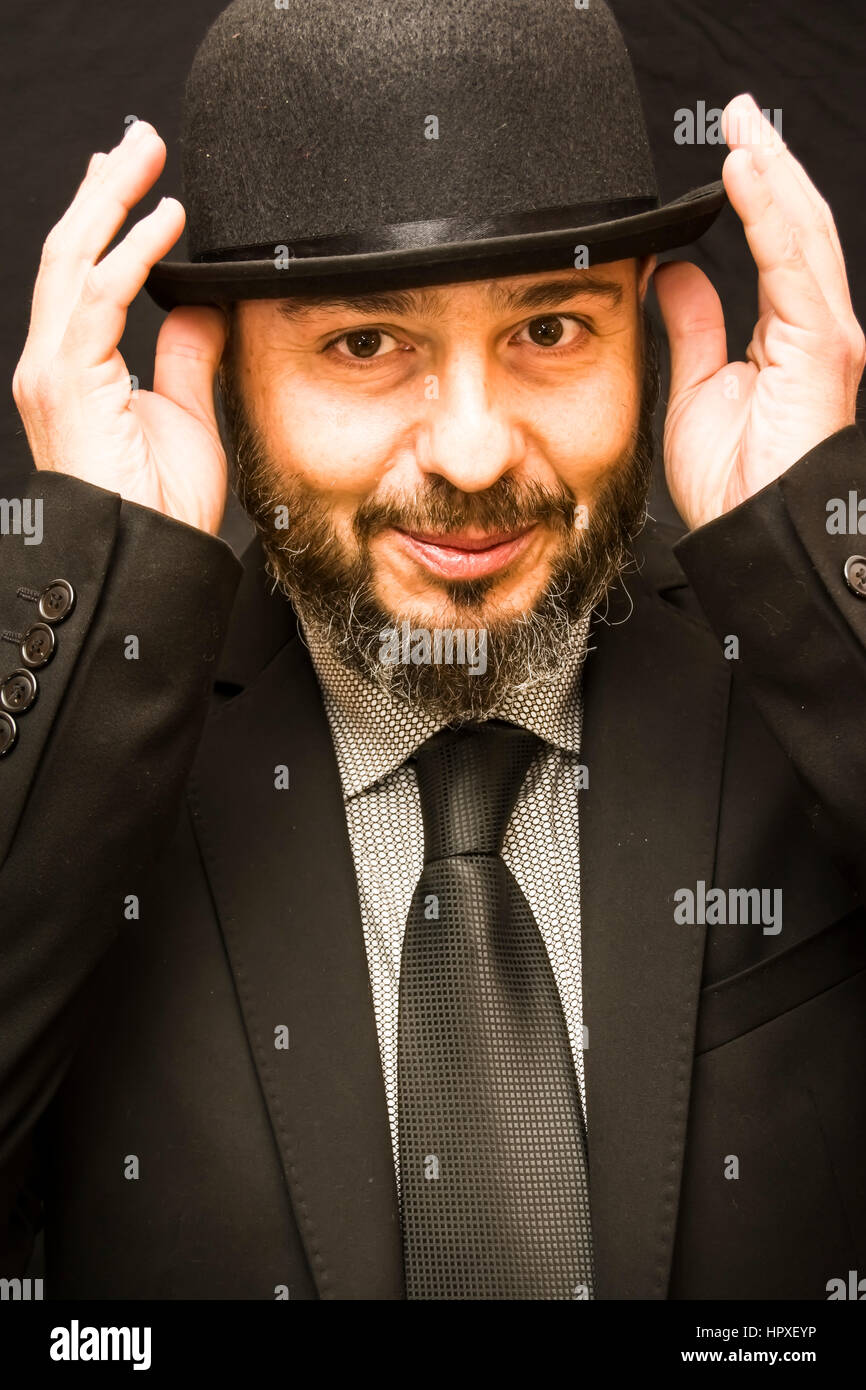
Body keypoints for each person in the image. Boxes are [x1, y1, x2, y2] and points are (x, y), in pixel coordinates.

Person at [2, 0, 865, 1301]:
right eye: (363, 343)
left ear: (643, 326)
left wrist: (818, 536)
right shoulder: (94, 755)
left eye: (549, 329)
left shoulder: (793, 670)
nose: (471, 451)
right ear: (228, 374)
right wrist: (98, 594)